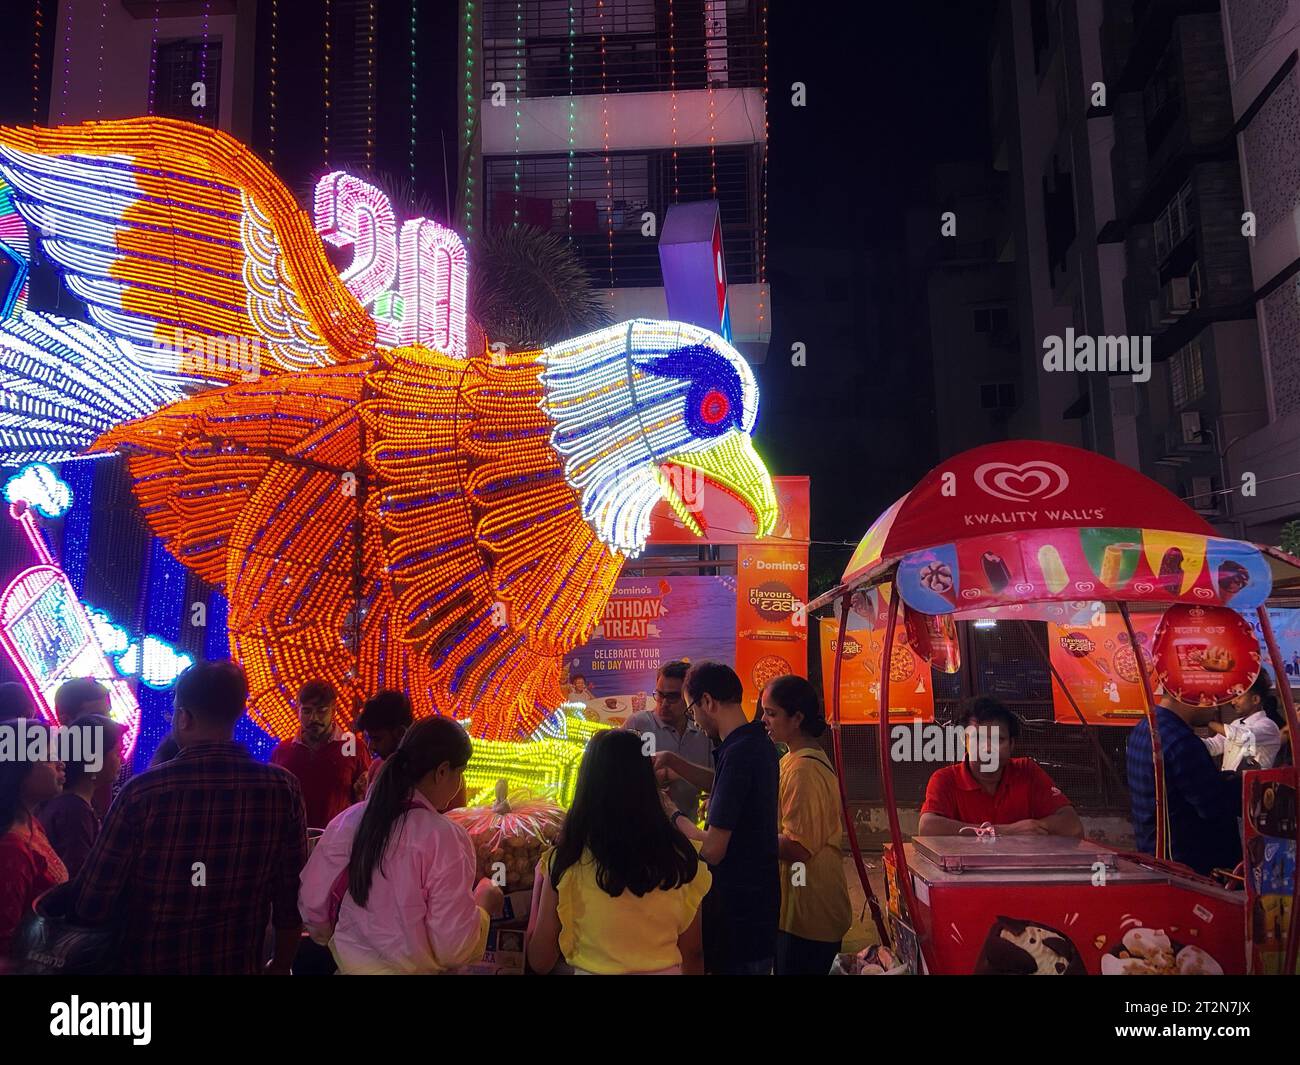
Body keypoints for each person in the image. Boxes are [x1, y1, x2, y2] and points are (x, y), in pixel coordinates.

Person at [72, 661, 307, 974]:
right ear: (237, 713)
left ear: (184, 717)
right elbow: (291, 898)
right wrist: (280, 965)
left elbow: (93, 901)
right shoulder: (283, 789)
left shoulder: (142, 793)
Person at [299, 717, 504, 974]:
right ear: (442, 771)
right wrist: (483, 904)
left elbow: (314, 912)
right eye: (460, 773)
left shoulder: (347, 821)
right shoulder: (444, 837)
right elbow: (454, 948)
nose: (459, 784)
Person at [526, 729, 710, 975]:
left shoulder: (566, 859)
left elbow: (540, 959)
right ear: (648, 783)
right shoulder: (682, 859)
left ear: (587, 786)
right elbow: (693, 953)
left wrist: (541, 888)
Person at [654, 661, 779, 975]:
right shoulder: (753, 743)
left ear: (708, 701)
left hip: (739, 915)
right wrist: (673, 761)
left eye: (693, 708)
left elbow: (712, 849)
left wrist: (671, 812)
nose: (694, 719)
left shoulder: (739, 754)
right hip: (757, 906)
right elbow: (724, 786)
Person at [760, 675, 851, 976]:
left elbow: (798, 847)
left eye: (771, 713)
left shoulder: (803, 770)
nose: (764, 720)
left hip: (810, 914)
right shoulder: (793, 759)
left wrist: (747, 835)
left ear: (797, 717)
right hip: (797, 908)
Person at [918, 697, 1083, 838]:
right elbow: (928, 828)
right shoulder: (945, 779)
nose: (988, 748)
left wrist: (1034, 826)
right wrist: (1003, 831)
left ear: (1012, 744)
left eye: (998, 740)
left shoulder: (1027, 771)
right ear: (964, 741)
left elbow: (1073, 825)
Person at [1127, 689, 1242, 876]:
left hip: (1153, 851)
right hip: (1186, 865)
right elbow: (1212, 807)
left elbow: (1177, 786)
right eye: (1213, 698)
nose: (1217, 706)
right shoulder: (1181, 741)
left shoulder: (1144, 727)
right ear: (1188, 694)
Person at [0, 721, 66, 963]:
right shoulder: (10, 850)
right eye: (50, 758)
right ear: (18, 770)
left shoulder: (30, 822)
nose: (61, 764)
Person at [271, 679, 370, 828]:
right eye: (307, 711)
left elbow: (366, 800)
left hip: (339, 842)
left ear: (334, 710)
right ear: (298, 710)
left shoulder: (353, 746)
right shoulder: (282, 750)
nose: (313, 718)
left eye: (321, 710)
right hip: (291, 842)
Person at [623, 661, 712, 821]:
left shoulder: (704, 731)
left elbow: (717, 781)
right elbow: (615, 778)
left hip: (691, 831)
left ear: (689, 696)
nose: (663, 703)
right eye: (659, 695)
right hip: (644, 829)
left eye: (672, 697)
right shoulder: (638, 724)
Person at [37, 715, 122, 878]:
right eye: (117, 753)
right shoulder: (74, 812)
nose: (122, 760)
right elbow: (78, 879)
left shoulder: (73, 803)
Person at [1204, 669, 1284, 771]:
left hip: (1255, 785)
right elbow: (1214, 746)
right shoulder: (1236, 723)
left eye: (1238, 697)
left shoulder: (1268, 726)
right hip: (1232, 783)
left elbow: (1244, 737)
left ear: (1255, 699)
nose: (1233, 702)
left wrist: (1208, 722)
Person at [355, 689, 414, 794]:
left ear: (400, 733)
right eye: (369, 739)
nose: (371, 746)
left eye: (377, 739)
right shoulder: (376, 768)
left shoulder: (424, 775)